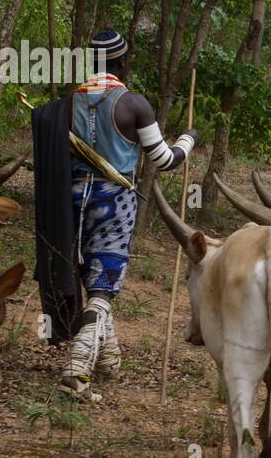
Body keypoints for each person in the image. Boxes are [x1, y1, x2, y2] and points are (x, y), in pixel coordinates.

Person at [59, 29, 198, 400]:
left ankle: (110, 361)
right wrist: (189, 140)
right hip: (113, 200)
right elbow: (165, 160)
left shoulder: (67, 102)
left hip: (71, 199)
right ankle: (78, 365)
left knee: (91, 274)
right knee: (103, 285)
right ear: (122, 64)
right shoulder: (133, 104)